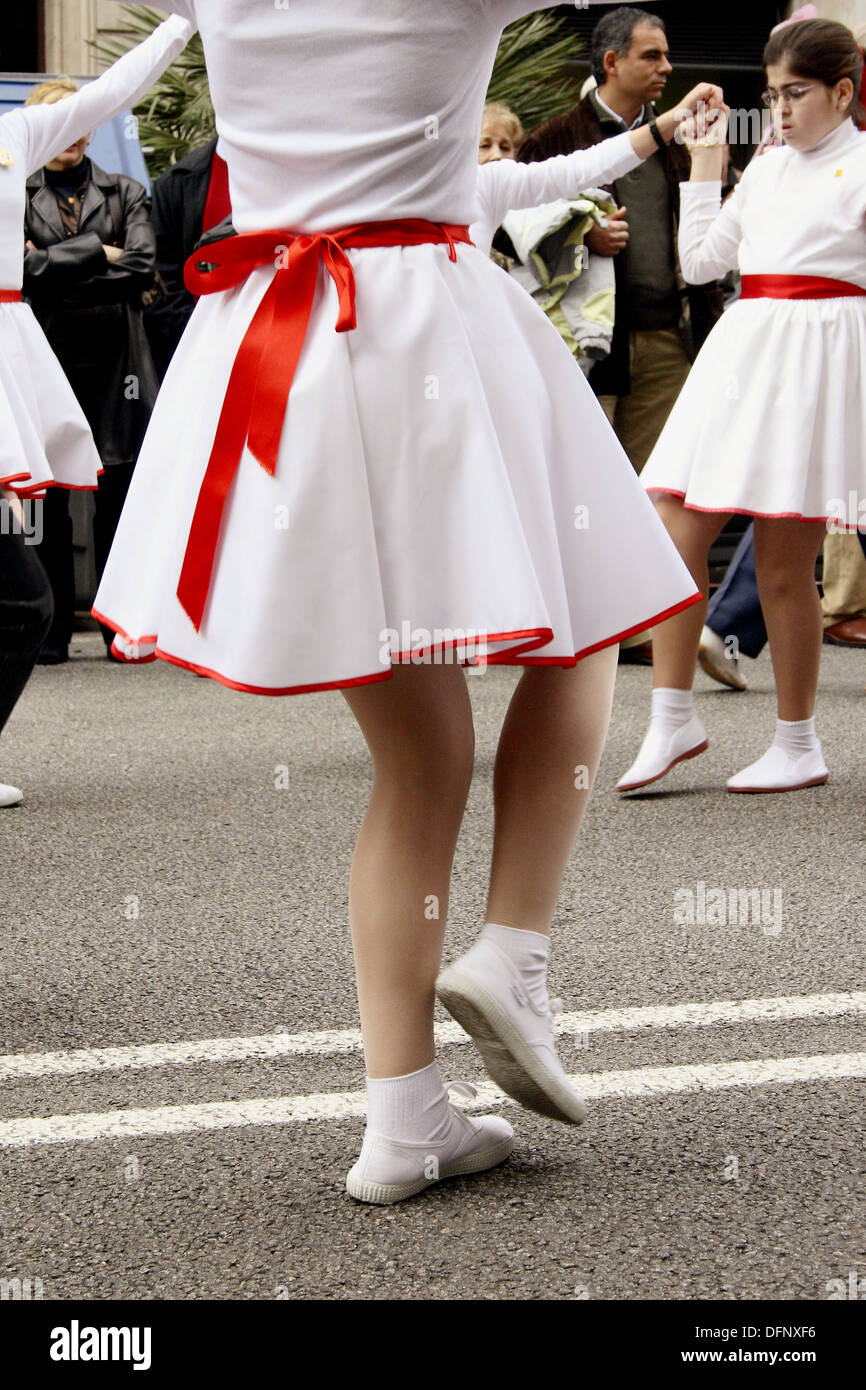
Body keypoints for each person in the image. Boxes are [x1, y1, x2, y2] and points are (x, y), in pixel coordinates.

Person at [94, 0, 718, 1205]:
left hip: (278, 342)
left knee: (419, 760)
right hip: (426, 324)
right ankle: (513, 953)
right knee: (585, 626)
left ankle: (403, 1118)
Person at [617, 18, 865, 796]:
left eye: (796, 93)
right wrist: (706, 163)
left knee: (786, 565)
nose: (781, 109)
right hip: (744, 351)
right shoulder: (763, 165)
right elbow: (700, 261)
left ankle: (797, 743)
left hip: (818, 357)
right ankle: (671, 717)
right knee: (673, 524)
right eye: (772, 94)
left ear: (844, 92)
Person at [0, 15, 196, 795]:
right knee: (21, 602)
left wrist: (187, 17)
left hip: (20, 345)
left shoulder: (19, 135)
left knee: (22, 604)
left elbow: (119, 86)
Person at [519, 8, 723, 665]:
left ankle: (643, 627)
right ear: (612, 62)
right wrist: (579, 234)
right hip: (587, 346)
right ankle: (583, 622)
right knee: (584, 488)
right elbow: (506, 227)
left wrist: (709, 333)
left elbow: (701, 234)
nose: (667, 68)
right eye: (653, 56)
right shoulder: (557, 139)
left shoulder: (683, 141)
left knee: (658, 491)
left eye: (666, 57)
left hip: (669, 338)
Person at [23, 80, 162, 661]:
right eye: (61, 119)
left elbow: (140, 267)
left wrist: (57, 263)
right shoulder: (13, 193)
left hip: (117, 359)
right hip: (44, 355)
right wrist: (93, 252)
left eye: (83, 118)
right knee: (49, 490)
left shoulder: (127, 190)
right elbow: (19, 269)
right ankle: (51, 631)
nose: (75, 131)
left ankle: (118, 626)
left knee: (120, 489)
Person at [145, 136, 230, 380]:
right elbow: (163, 283)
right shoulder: (175, 184)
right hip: (199, 355)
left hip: (284, 344)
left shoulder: (295, 171)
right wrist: (203, 338)